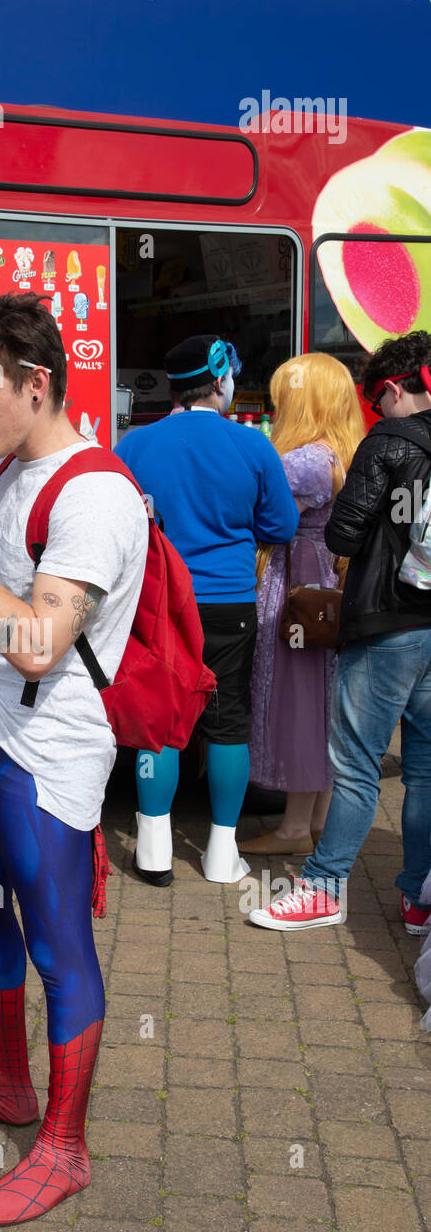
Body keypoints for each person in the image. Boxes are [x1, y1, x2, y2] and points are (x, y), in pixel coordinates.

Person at [0, 292, 148, 1225]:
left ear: (36, 382)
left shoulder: (93, 493)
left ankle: (65, 1146)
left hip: (48, 751)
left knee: (58, 946)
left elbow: (40, 645)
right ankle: (8, 1084)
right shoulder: (13, 466)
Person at [249, 330, 431, 934]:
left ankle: (322, 885)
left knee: (352, 758)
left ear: (397, 389)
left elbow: (343, 535)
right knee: (422, 768)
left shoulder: (382, 442)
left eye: (379, 395)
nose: (374, 408)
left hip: (382, 616)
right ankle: (415, 897)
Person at [116, 334, 298, 884]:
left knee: (160, 720)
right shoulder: (252, 445)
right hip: (231, 604)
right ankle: (222, 854)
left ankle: (152, 849)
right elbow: (281, 526)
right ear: (221, 380)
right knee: (228, 723)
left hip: (160, 604)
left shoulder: (133, 445)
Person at [239, 353, 365, 856]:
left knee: (297, 698)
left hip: (296, 586)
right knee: (319, 701)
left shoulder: (307, 459)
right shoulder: (342, 450)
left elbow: (274, 523)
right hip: (323, 584)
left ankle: (294, 828)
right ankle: (313, 821)